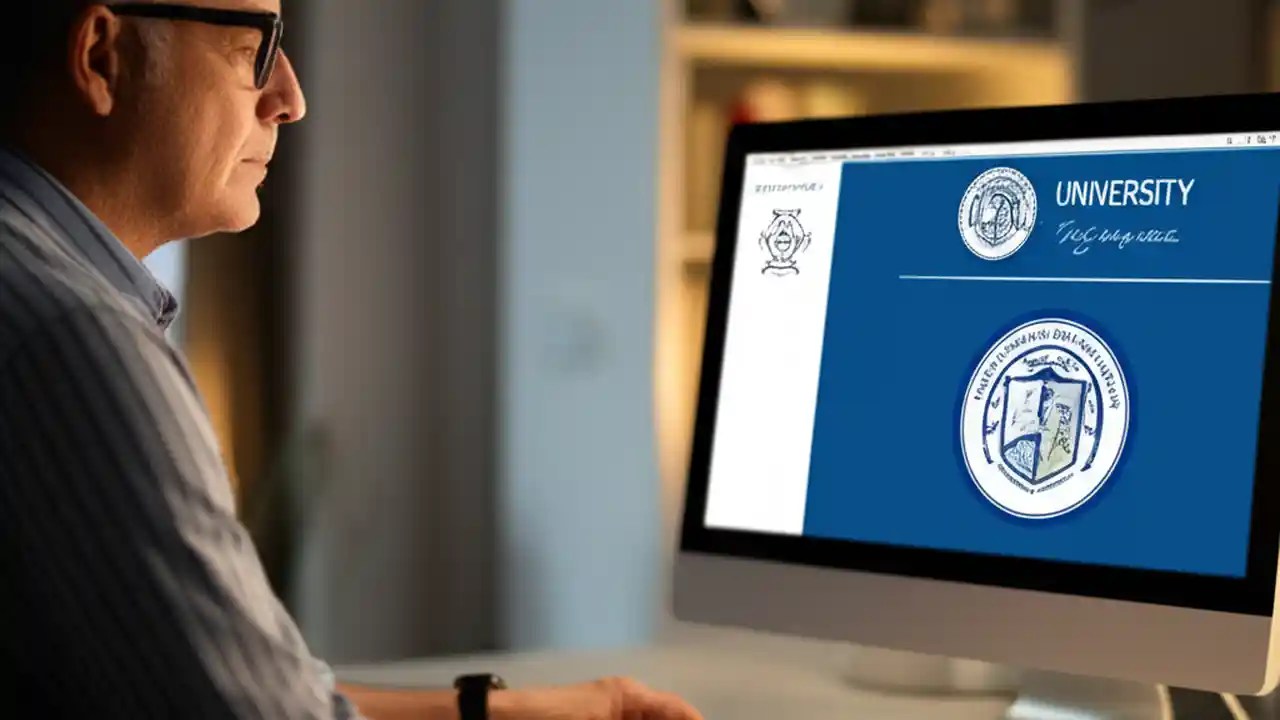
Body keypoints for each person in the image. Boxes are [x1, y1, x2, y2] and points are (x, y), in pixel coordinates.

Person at [0, 2, 704, 718]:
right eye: (254, 49)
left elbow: (272, 691)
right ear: (101, 57)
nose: (290, 99)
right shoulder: (77, 339)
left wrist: (525, 708)